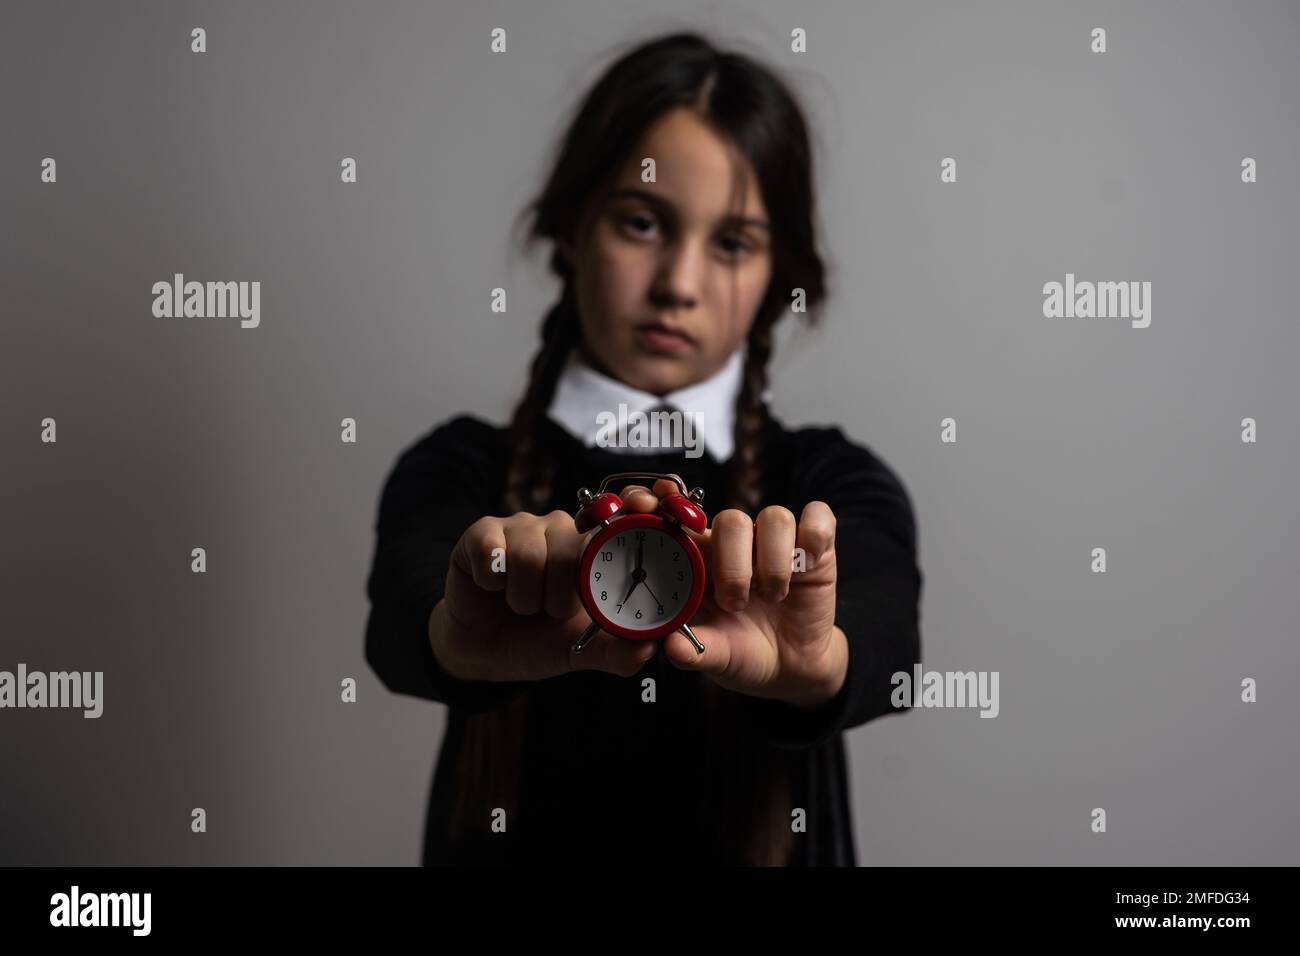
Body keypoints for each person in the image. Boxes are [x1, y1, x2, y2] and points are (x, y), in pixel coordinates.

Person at [364, 31, 923, 866]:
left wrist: (820, 660)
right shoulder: (460, 470)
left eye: (732, 243)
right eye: (641, 221)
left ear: (781, 274)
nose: (679, 284)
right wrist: (457, 632)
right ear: (570, 226)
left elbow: (888, 636)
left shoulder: (830, 484)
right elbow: (405, 616)